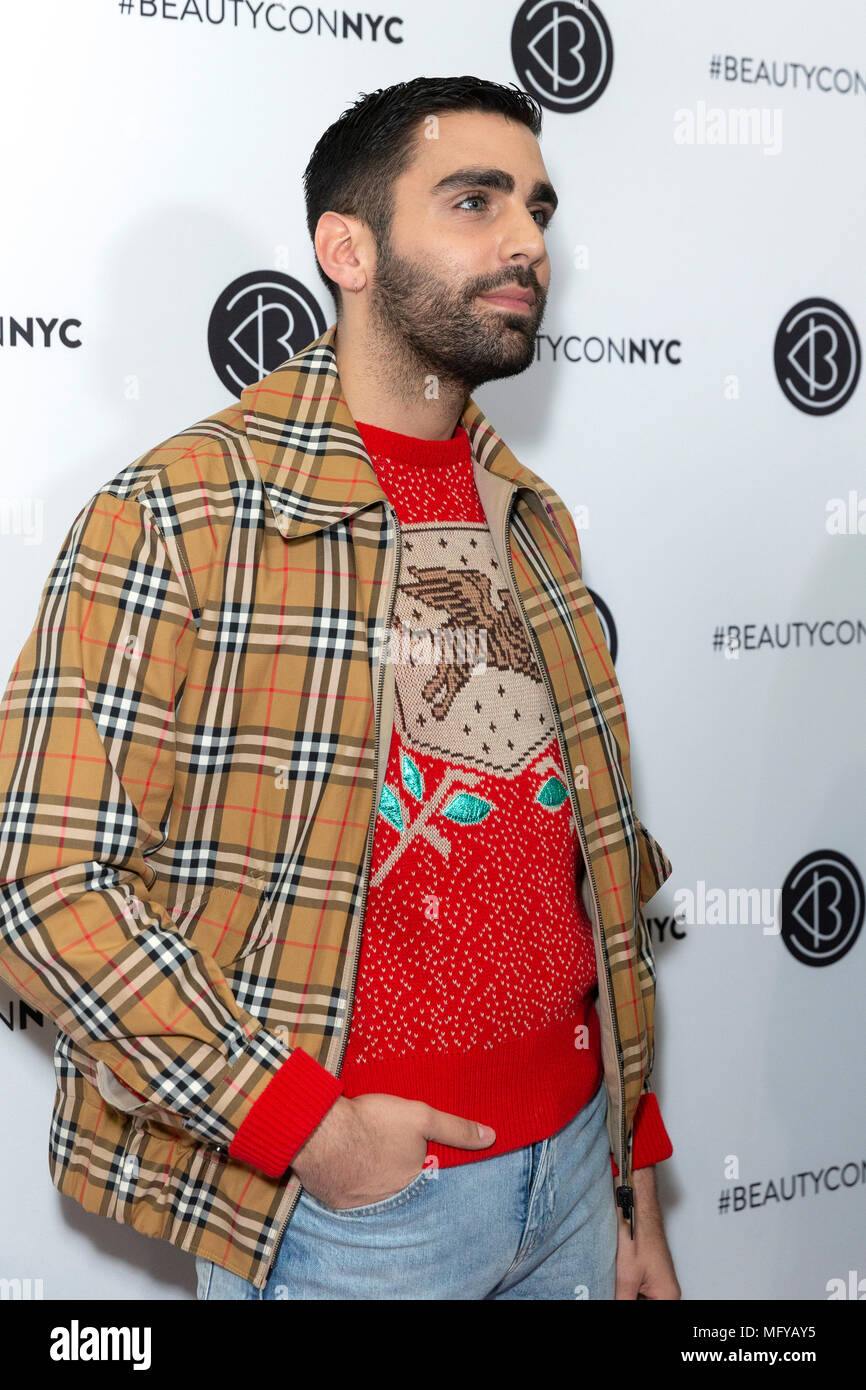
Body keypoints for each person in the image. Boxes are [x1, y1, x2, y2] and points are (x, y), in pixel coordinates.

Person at [0, 75, 680, 1301]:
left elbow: (591, 872)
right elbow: (46, 886)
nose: (525, 238)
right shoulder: (183, 511)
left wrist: (632, 1183)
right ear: (346, 248)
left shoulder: (530, 519)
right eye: (471, 201)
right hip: (356, 1216)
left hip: (576, 1171)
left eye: (534, 205)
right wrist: (308, 1130)